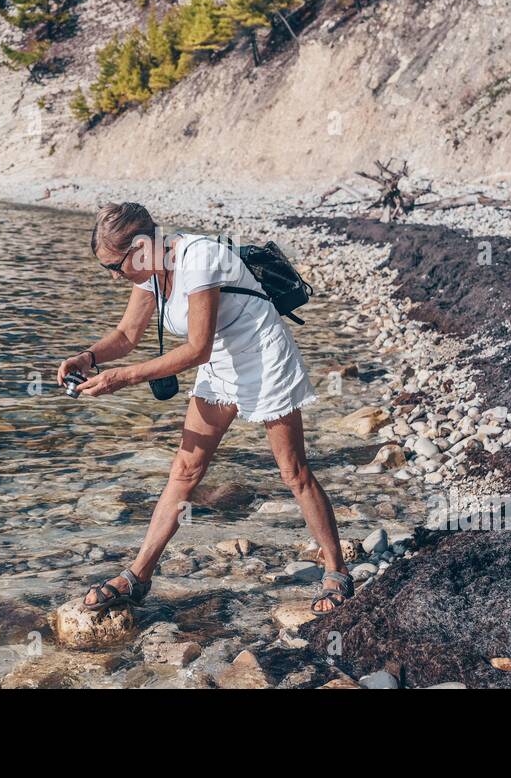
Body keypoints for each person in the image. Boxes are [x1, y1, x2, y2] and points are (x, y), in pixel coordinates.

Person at [56, 202, 353, 614]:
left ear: (141, 247)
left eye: (114, 266)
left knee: (293, 472)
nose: (112, 277)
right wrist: (88, 358)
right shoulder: (151, 272)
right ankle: (139, 573)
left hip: (263, 357)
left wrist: (121, 378)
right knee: (185, 470)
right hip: (221, 363)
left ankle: (336, 570)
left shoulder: (198, 259)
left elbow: (197, 348)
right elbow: (127, 334)